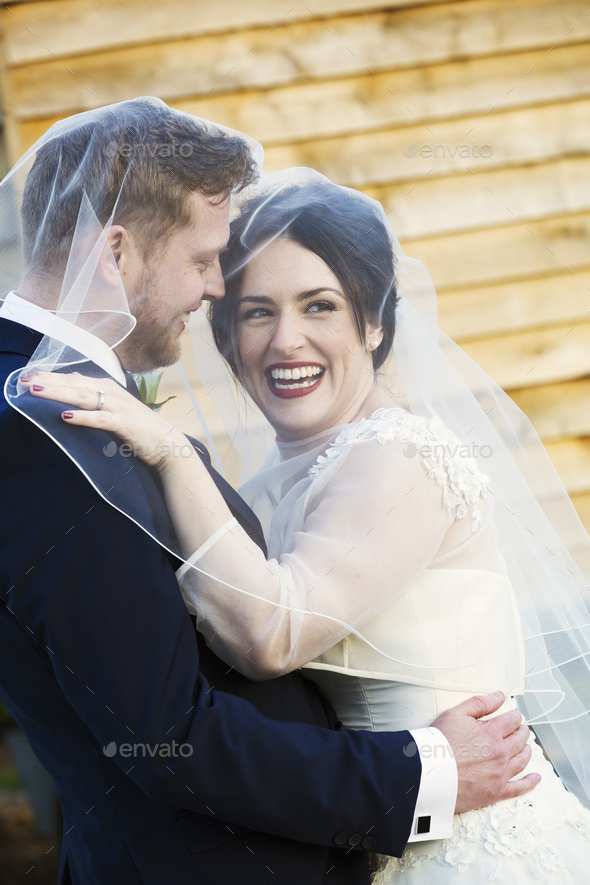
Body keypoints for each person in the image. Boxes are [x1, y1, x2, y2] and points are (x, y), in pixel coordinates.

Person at [0, 100, 534, 885]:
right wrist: (426, 771)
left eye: (319, 304)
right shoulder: (50, 424)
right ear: (116, 253)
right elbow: (168, 732)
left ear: (375, 323)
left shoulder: (65, 401)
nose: (215, 288)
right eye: (206, 260)